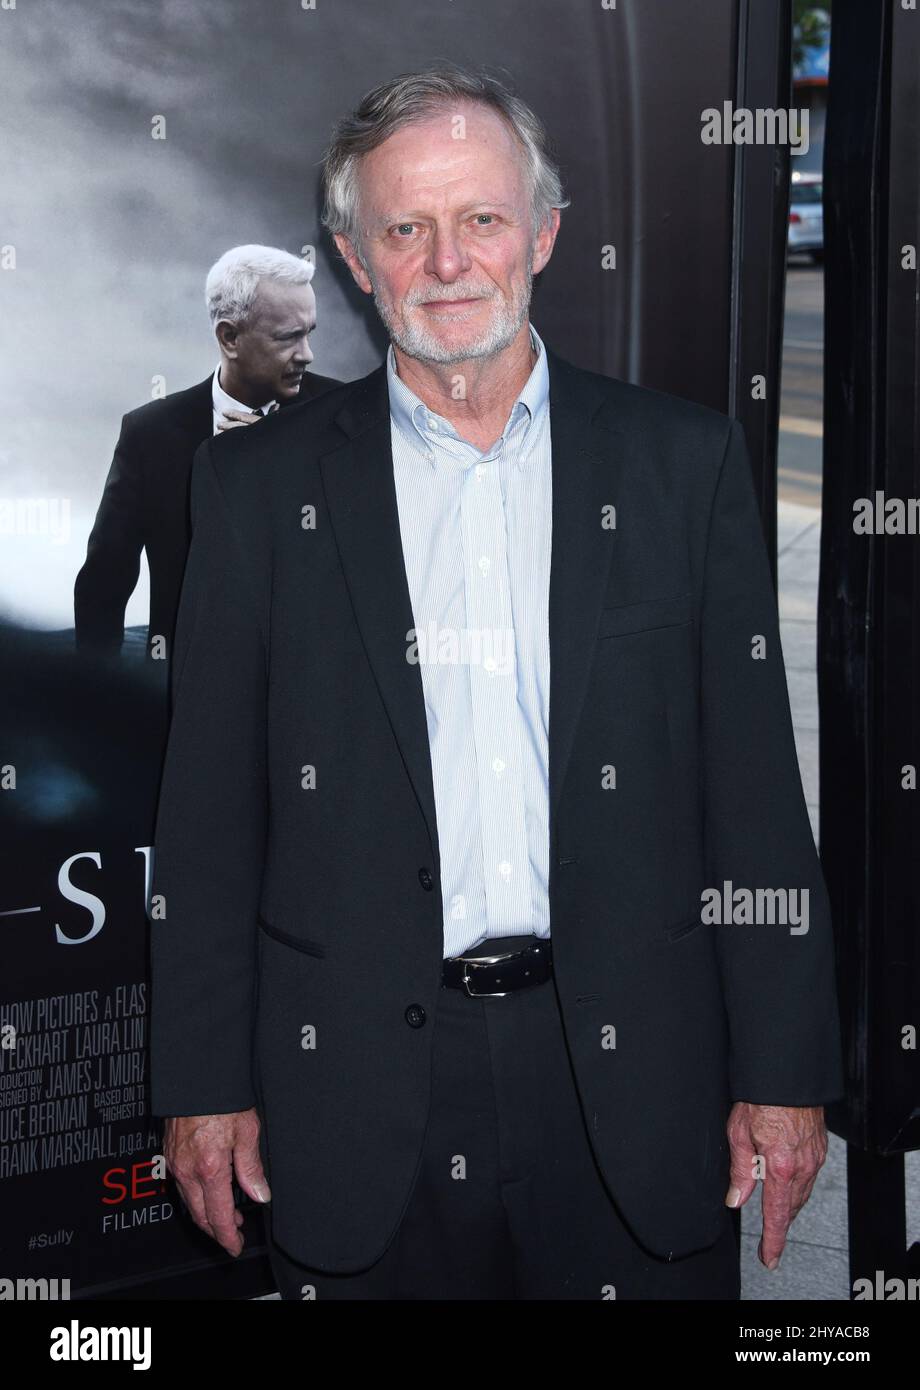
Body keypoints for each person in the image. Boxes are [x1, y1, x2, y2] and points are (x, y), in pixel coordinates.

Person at [149, 65, 843, 1300]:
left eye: (480, 219)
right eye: (404, 228)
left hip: (631, 1075)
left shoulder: (681, 464)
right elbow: (207, 819)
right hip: (356, 1082)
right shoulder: (253, 493)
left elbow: (752, 795)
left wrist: (784, 1070)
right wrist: (202, 1086)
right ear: (356, 261)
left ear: (544, 234)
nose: (448, 260)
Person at [73, 245, 340, 661]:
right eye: (289, 337)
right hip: (185, 693)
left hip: (308, 687)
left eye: (309, 333)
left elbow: (366, 564)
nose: (307, 354)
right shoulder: (149, 434)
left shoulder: (341, 415)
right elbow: (104, 579)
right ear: (229, 337)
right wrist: (98, 703)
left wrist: (283, 469)